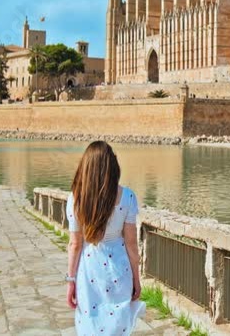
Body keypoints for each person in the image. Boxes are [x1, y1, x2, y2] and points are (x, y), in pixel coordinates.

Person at [65, 141, 145, 334]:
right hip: (119, 268)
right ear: (112, 166)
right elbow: (131, 244)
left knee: (90, 326)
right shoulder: (127, 197)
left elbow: (75, 245)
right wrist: (137, 278)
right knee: (117, 326)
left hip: (89, 271)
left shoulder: (75, 199)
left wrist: (71, 280)